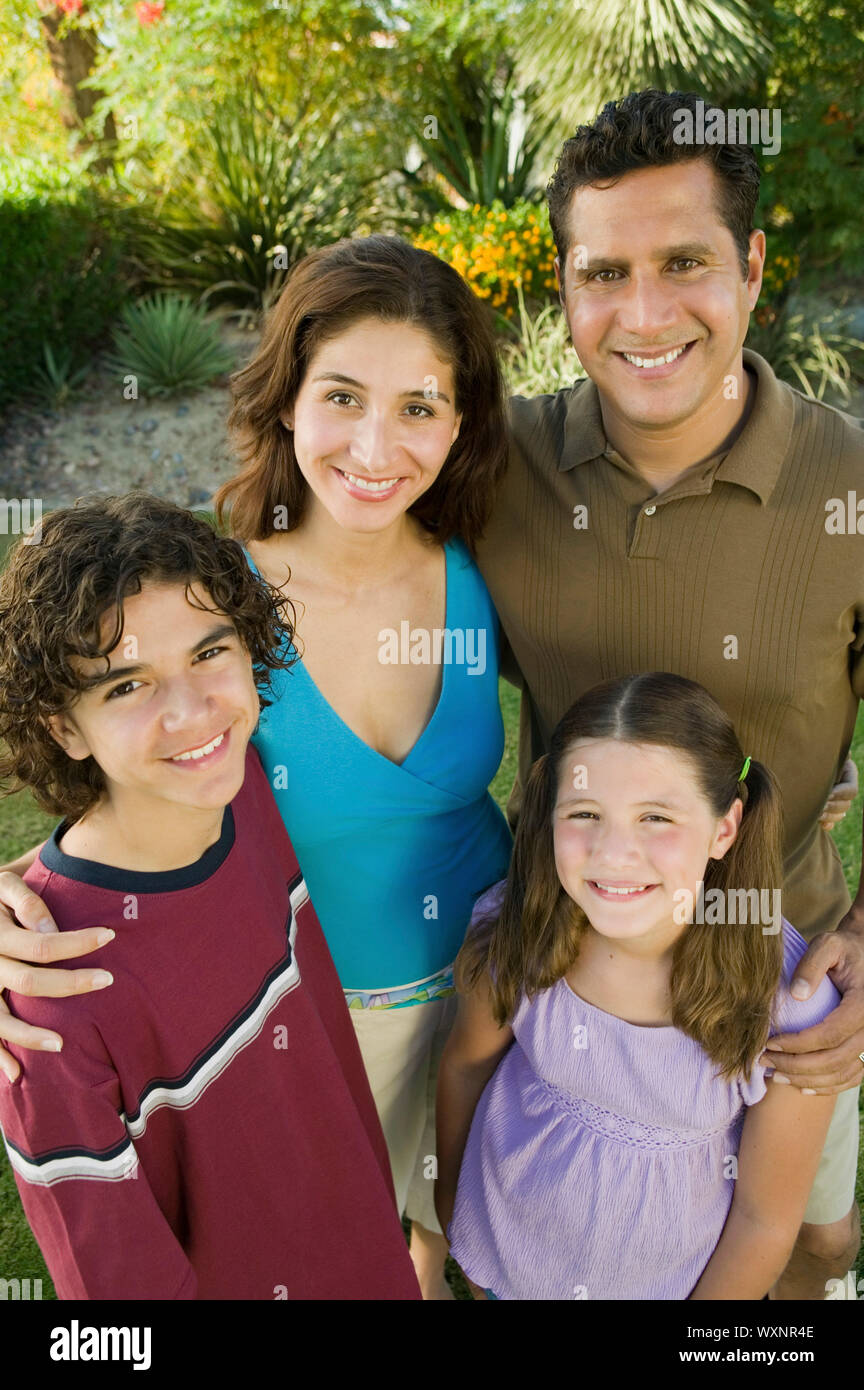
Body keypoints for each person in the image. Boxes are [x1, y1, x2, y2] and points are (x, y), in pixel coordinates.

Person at [0, 236, 514, 1300]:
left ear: (460, 421)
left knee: (468, 1248)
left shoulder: (492, 566)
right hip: (304, 1029)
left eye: (419, 405)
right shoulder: (205, 610)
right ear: (287, 399)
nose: (378, 445)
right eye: (341, 396)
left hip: (493, 998)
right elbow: (119, 786)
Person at [469, 89, 864, 1298]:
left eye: (685, 262)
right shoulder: (494, 470)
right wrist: (95, 849)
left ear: (751, 267)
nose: (643, 315)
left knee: (806, 1245)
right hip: (556, 983)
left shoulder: (851, 485)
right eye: (604, 272)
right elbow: (288, 605)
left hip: (786, 986)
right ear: (564, 285)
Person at [0, 493, 421, 1300]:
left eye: (209, 653)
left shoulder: (248, 788)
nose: (192, 713)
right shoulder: (50, 1011)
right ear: (64, 727)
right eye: (127, 687)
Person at [436, 672, 839, 1300]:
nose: (615, 852)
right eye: (586, 813)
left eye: (656, 816)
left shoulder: (789, 1004)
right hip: (510, 1254)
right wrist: (453, 1202)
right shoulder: (521, 925)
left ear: (725, 828)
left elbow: (764, 1222)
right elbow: (465, 1067)